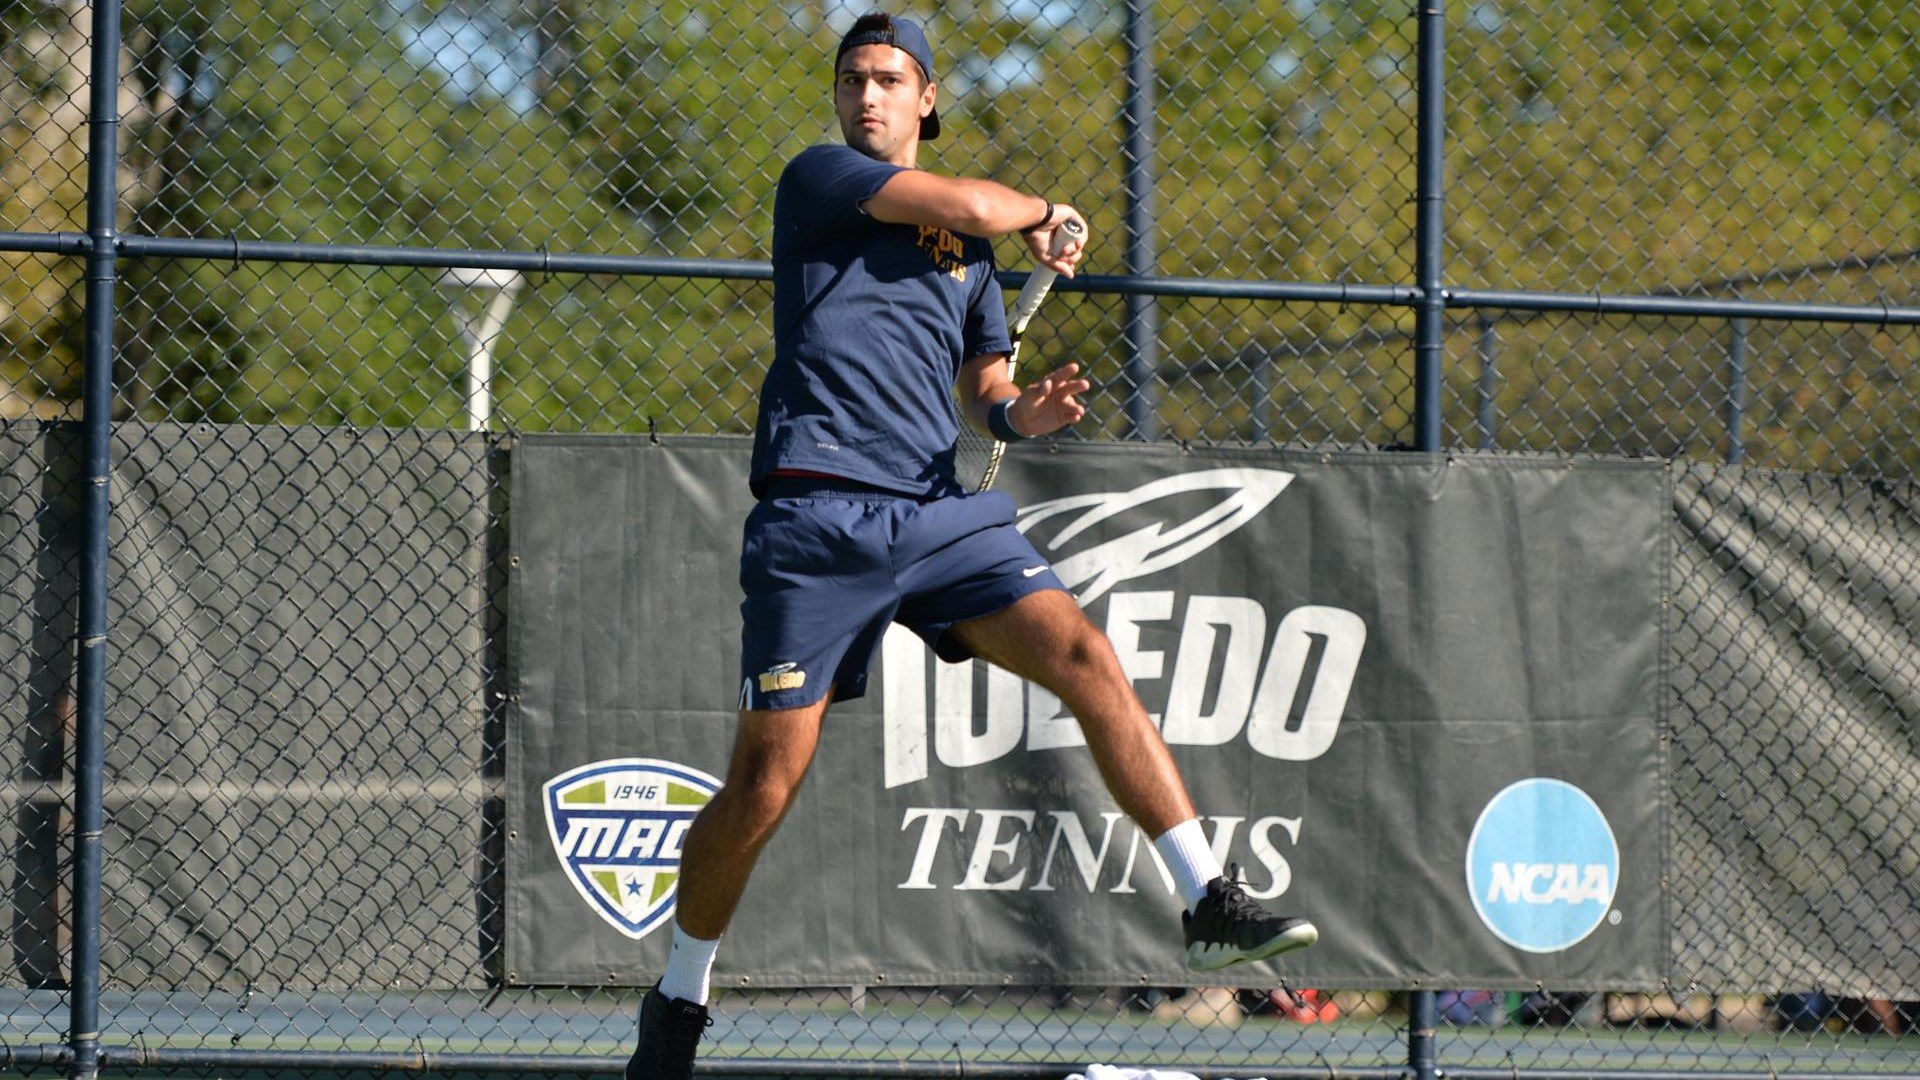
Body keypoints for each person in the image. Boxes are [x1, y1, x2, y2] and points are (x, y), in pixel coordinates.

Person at [625, 14, 1319, 1078]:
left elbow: (984, 393)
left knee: (1087, 659)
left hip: (939, 517)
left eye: (890, 81)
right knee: (766, 783)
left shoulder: (975, 265)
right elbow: (968, 202)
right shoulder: (822, 182)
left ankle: (1207, 898)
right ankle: (679, 999)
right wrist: (1047, 211)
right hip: (818, 521)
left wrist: (1019, 416)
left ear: (927, 100)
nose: (868, 96)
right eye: (855, 79)